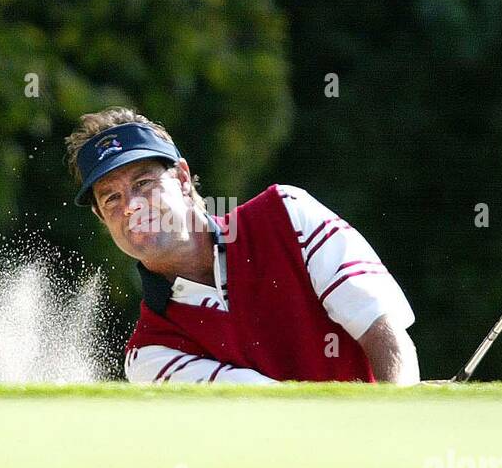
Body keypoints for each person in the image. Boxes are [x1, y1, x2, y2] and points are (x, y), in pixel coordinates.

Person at [65, 108, 419, 384]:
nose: (131, 206)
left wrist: (397, 423)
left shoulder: (288, 213)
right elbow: (267, 413)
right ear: (102, 218)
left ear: (183, 179)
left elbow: (383, 333)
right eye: (112, 198)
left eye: (143, 182)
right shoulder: (150, 353)